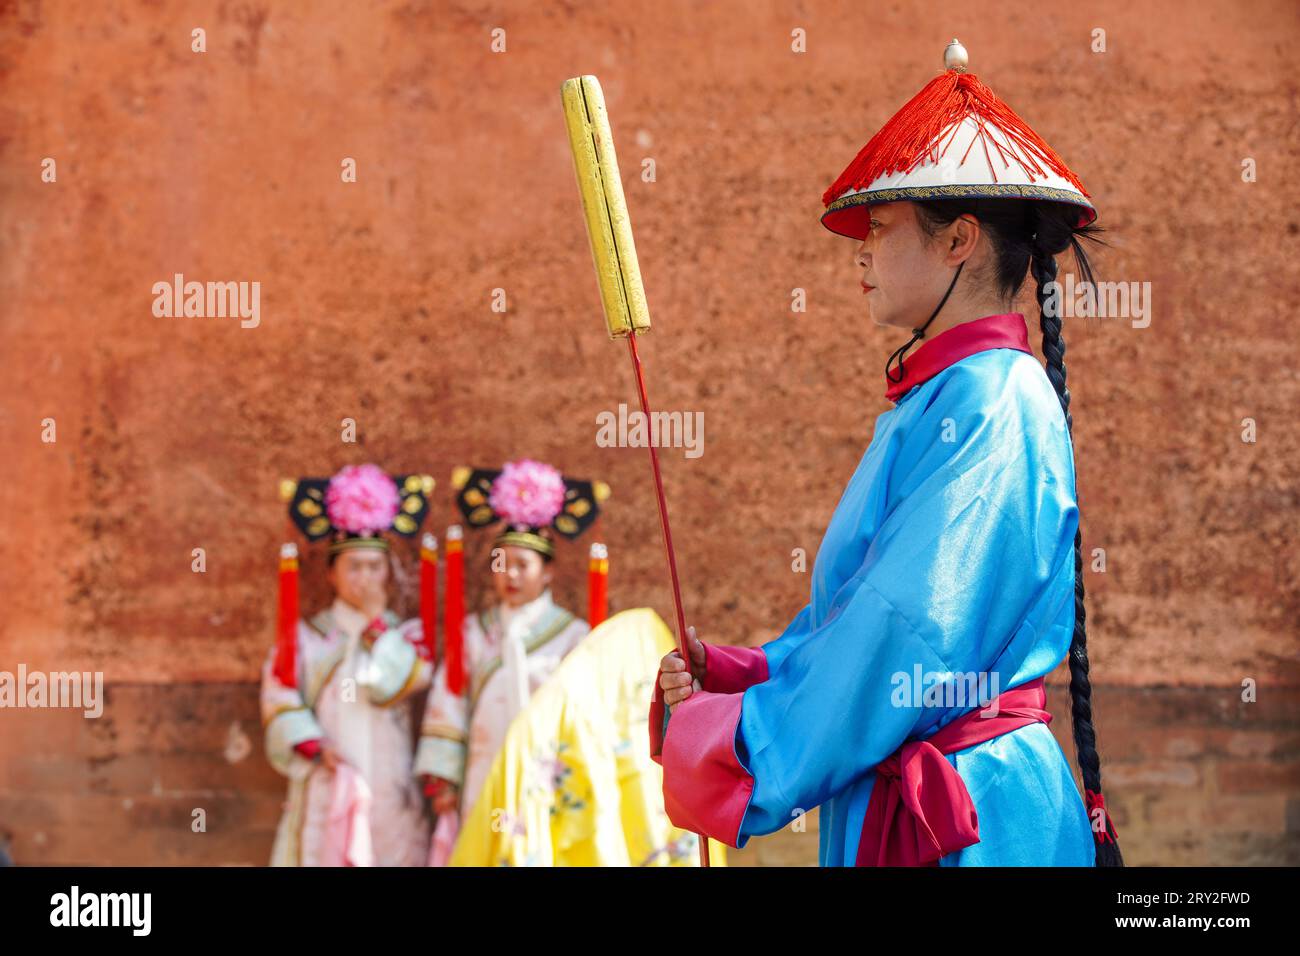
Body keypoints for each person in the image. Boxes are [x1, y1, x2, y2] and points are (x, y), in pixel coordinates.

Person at [652, 40, 1123, 867]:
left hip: (972, 817)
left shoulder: (993, 397)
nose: (859, 254)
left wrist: (739, 746)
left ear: (958, 241)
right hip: (926, 789)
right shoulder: (938, 400)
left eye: (879, 228)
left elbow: (905, 633)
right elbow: (864, 617)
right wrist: (744, 677)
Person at [415, 459, 607, 862]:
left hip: (549, 769)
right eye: (502, 564)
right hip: (485, 766)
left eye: (524, 565)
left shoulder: (573, 636)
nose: (511, 576)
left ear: (548, 571)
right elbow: (449, 701)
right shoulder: (471, 633)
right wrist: (442, 777)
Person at [261, 464, 437, 866]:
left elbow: (389, 685)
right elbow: (279, 692)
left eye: (374, 568)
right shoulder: (309, 637)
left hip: (388, 778)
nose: (364, 579)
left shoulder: (404, 636)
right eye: (353, 568)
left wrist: (377, 628)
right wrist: (312, 743)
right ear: (331, 574)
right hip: (328, 771)